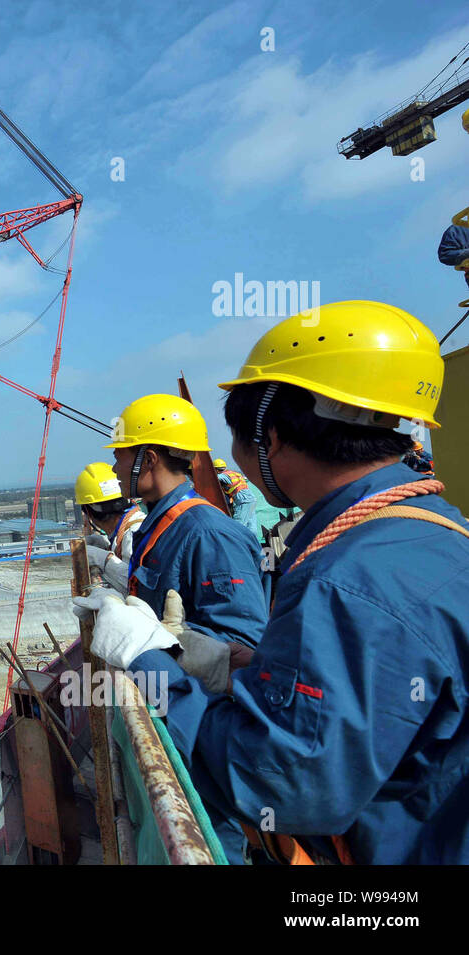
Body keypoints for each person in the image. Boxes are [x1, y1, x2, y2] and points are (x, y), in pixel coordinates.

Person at [75, 300, 469, 864]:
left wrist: (148, 660)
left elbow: (278, 783)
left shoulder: (345, 579)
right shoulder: (436, 533)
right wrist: (224, 663)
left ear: (271, 436)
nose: (116, 471)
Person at [100, 393, 268, 650]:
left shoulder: (210, 536)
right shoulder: (162, 527)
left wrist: (155, 636)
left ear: (148, 460)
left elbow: (243, 645)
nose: (114, 469)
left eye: (118, 456)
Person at [74, 461, 145, 594]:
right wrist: (106, 546)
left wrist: (105, 560)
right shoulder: (127, 532)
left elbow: (139, 589)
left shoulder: (134, 533)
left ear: (88, 512)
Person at [212, 458, 261, 537]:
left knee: (237, 526)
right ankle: (253, 544)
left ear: (216, 470)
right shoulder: (234, 473)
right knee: (251, 526)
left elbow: (214, 478)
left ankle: (236, 545)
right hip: (251, 500)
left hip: (243, 502)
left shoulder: (224, 476)